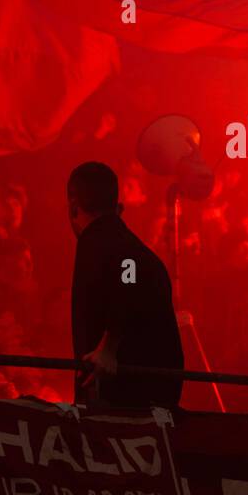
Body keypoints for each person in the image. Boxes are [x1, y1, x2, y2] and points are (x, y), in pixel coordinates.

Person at [68, 162, 183, 409]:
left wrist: (108, 347)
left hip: (131, 396)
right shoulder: (120, 242)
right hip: (150, 393)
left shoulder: (103, 241)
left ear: (73, 203)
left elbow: (128, 277)